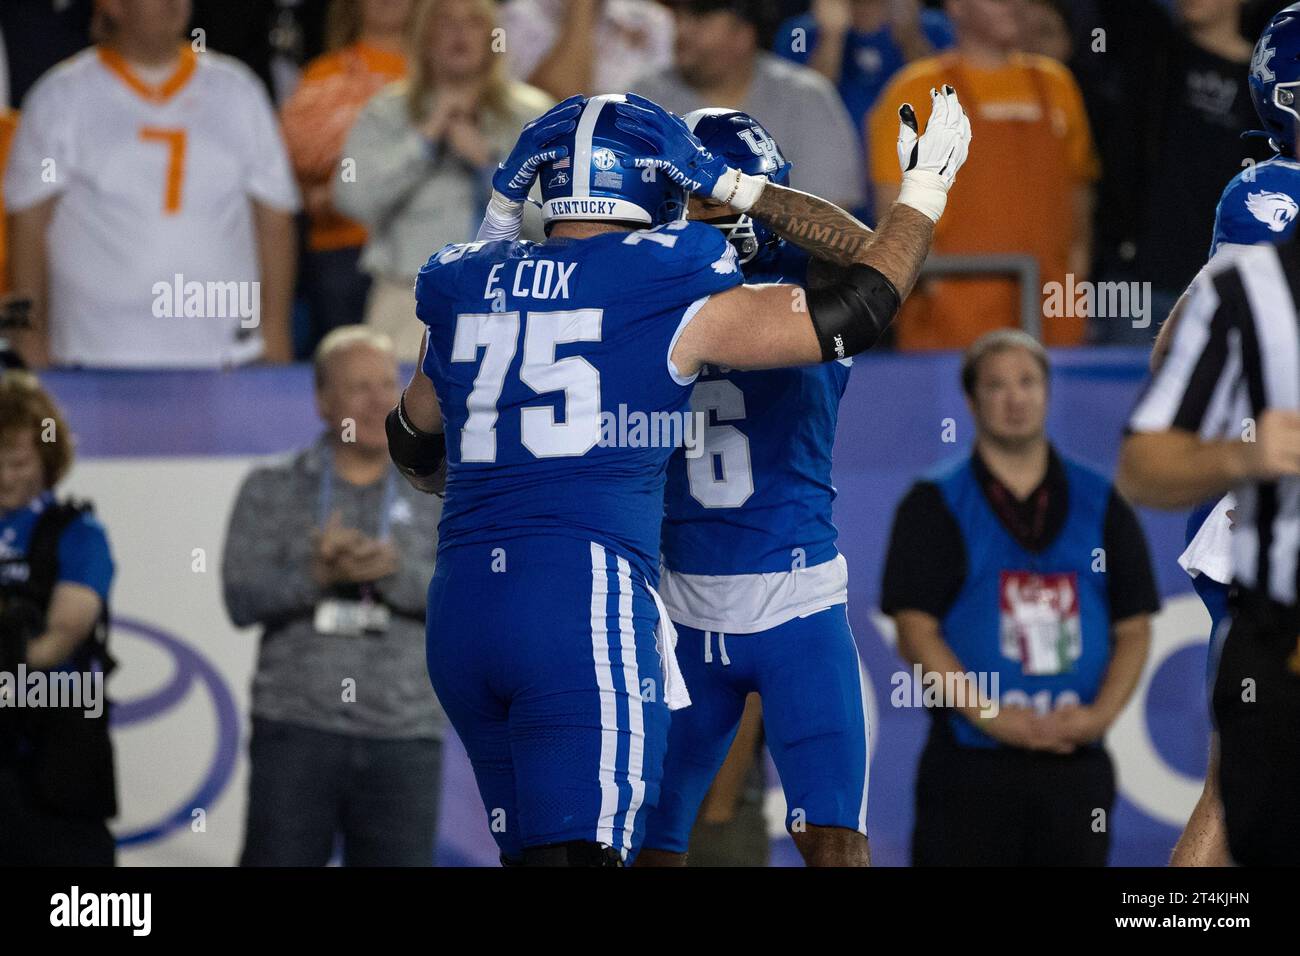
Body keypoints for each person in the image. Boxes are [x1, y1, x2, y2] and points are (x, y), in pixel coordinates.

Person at [388, 86, 970, 865]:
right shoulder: (667, 277)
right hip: (614, 597)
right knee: (609, 850)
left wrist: (501, 209)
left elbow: (415, 444)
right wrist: (917, 193)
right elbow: (875, 291)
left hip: (473, 598)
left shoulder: (470, 287)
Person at [637, 109, 874, 868]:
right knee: (644, 844)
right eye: (695, 203)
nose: (709, 221)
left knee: (833, 840)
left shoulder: (813, 287)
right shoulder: (640, 293)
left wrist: (740, 189)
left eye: (724, 201)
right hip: (674, 603)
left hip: (793, 597)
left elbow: (872, 255)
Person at [881, 330, 1159, 865]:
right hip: (970, 766)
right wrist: (991, 715)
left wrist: (1099, 717)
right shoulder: (933, 503)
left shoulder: (1102, 500)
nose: (1015, 398)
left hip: (1076, 765)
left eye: (1028, 382)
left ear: (1048, 392)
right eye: (996, 385)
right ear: (970, 400)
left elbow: (1134, 627)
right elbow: (916, 631)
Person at [222, 326, 447, 866]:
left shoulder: (443, 491)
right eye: (357, 388)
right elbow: (240, 598)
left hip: (405, 736)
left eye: (386, 385)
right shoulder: (272, 485)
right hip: (297, 730)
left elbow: (468, 604)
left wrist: (396, 573)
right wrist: (315, 573)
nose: (376, 402)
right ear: (324, 402)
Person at [1119, 224, 1300, 866]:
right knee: (1237, 790)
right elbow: (1143, 462)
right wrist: (1245, 452)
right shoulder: (1254, 268)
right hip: (1276, 598)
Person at [3, 0, 300, 368]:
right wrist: (32, 339)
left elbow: (274, 218)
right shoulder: (61, 97)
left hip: (223, 353)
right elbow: (28, 223)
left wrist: (274, 333)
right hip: (92, 353)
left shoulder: (237, 90)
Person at [868, 0, 1098, 349]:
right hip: (950, 330)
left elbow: (1078, 200)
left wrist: (1074, 284)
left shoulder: (1058, 85)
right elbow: (892, 215)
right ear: (957, 7)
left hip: (1053, 322)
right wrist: (934, 293)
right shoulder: (916, 90)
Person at [334, 0, 552, 362]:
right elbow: (353, 198)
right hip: (409, 300)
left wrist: (488, 168)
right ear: (423, 36)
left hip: (513, 299)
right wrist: (424, 142)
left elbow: (553, 221)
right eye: (446, 22)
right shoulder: (386, 112)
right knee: (401, 416)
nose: (460, 34)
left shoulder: (533, 115)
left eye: (473, 23)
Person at [0, 371, 117, 866]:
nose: (6, 476)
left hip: (56, 753)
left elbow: (63, 634)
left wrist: (10, 660)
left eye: (18, 461)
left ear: (47, 459)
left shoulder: (77, 532)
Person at [631, 0, 866, 212]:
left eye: (699, 20)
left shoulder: (805, 96)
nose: (681, 31)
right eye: (679, 18)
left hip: (786, 257)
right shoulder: (645, 98)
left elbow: (830, 209)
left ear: (743, 34)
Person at [280, 0, 413, 353]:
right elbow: (295, 162)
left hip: (416, 253)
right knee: (347, 370)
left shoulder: (437, 74)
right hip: (341, 248)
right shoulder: (322, 76)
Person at [772, 0, 954, 217]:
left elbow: (951, 102)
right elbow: (799, 112)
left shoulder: (936, 26)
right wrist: (831, 39)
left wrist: (911, 37)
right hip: (829, 199)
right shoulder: (799, 32)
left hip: (912, 190)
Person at [500, 0, 675, 99]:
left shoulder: (653, 21)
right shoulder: (516, 17)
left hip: (635, 147)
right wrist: (581, 9)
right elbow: (554, 104)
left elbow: (664, 102)